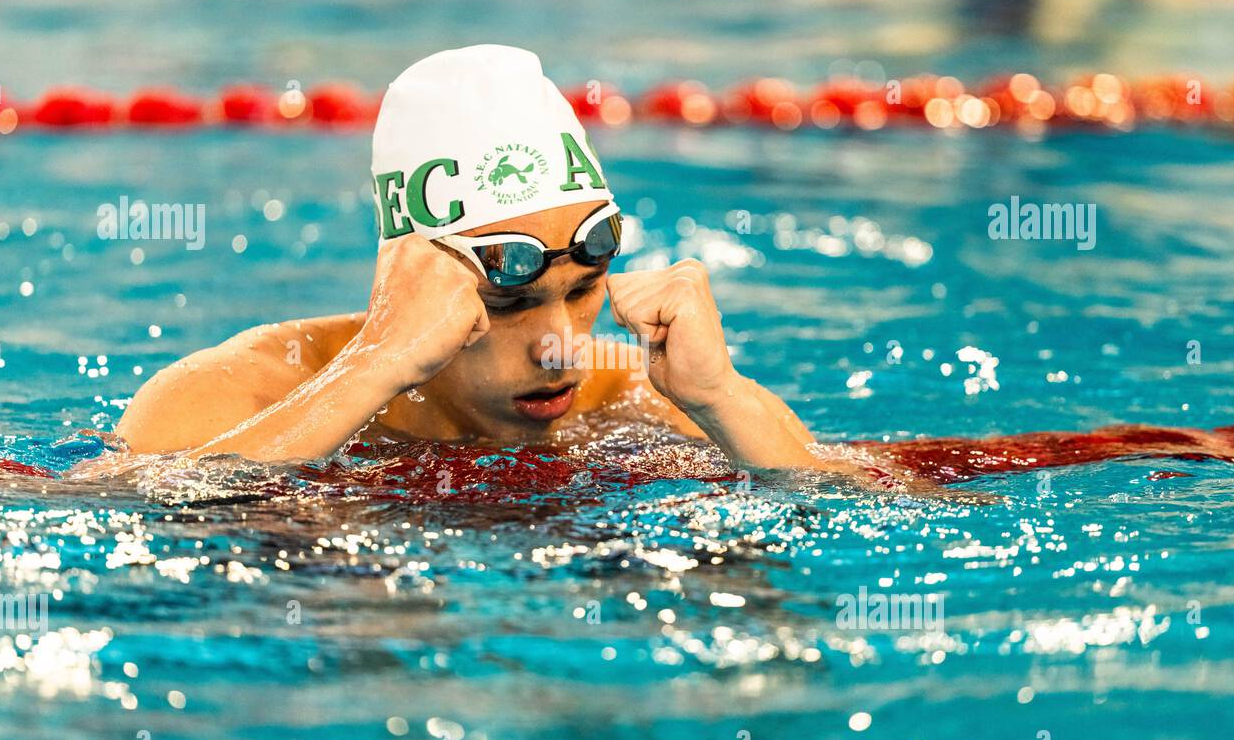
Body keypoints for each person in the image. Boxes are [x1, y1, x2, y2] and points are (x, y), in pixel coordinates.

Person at [115, 45, 851, 475]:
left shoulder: (638, 394)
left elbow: (853, 494)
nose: (562, 345)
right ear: (408, 283)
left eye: (584, 289)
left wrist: (720, 398)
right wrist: (376, 363)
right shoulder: (232, 396)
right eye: (511, 302)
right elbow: (142, 519)